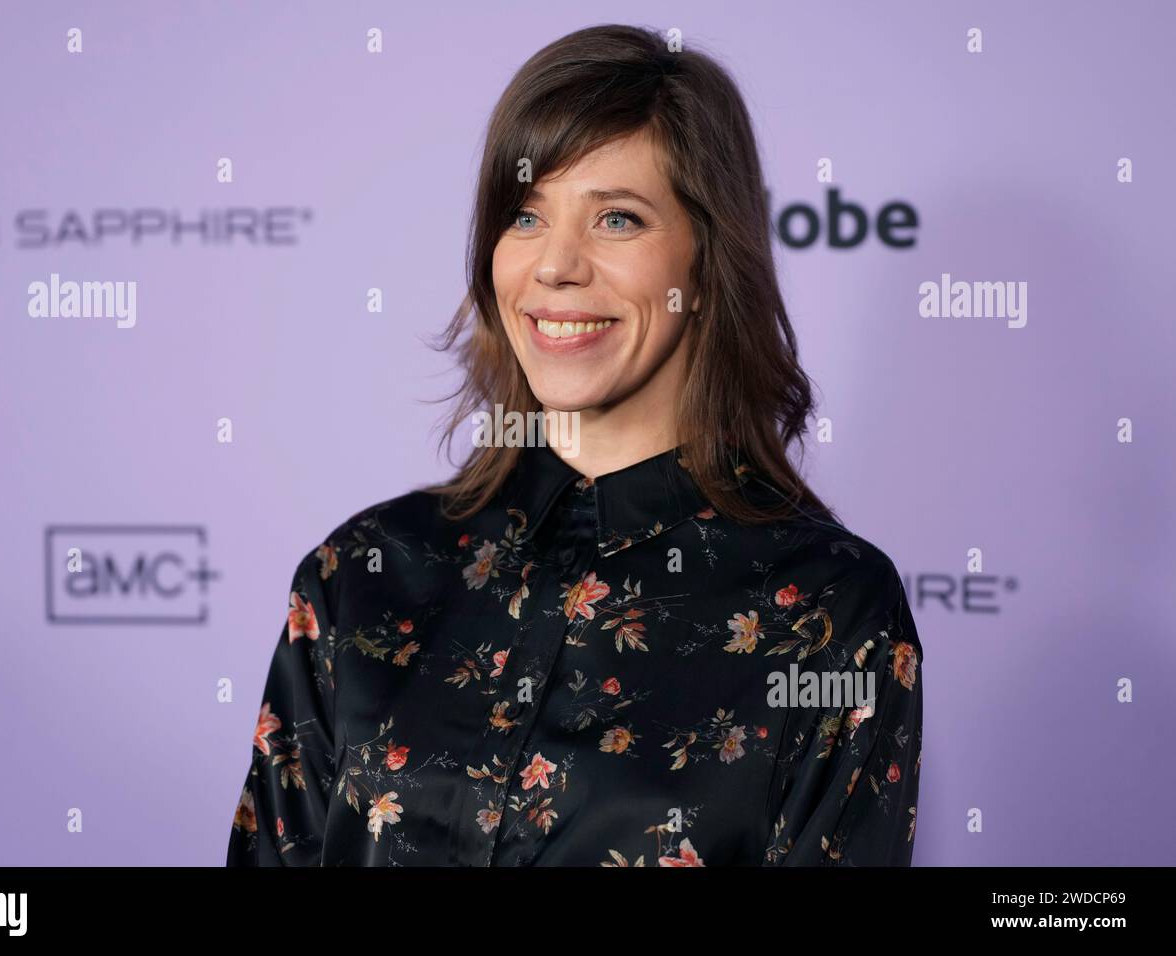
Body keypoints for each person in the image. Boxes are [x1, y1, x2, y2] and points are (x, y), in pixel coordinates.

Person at [226, 23, 922, 867]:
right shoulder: (362, 575)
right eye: (525, 216)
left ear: (706, 267)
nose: (556, 266)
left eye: (618, 219)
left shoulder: (832, 615)